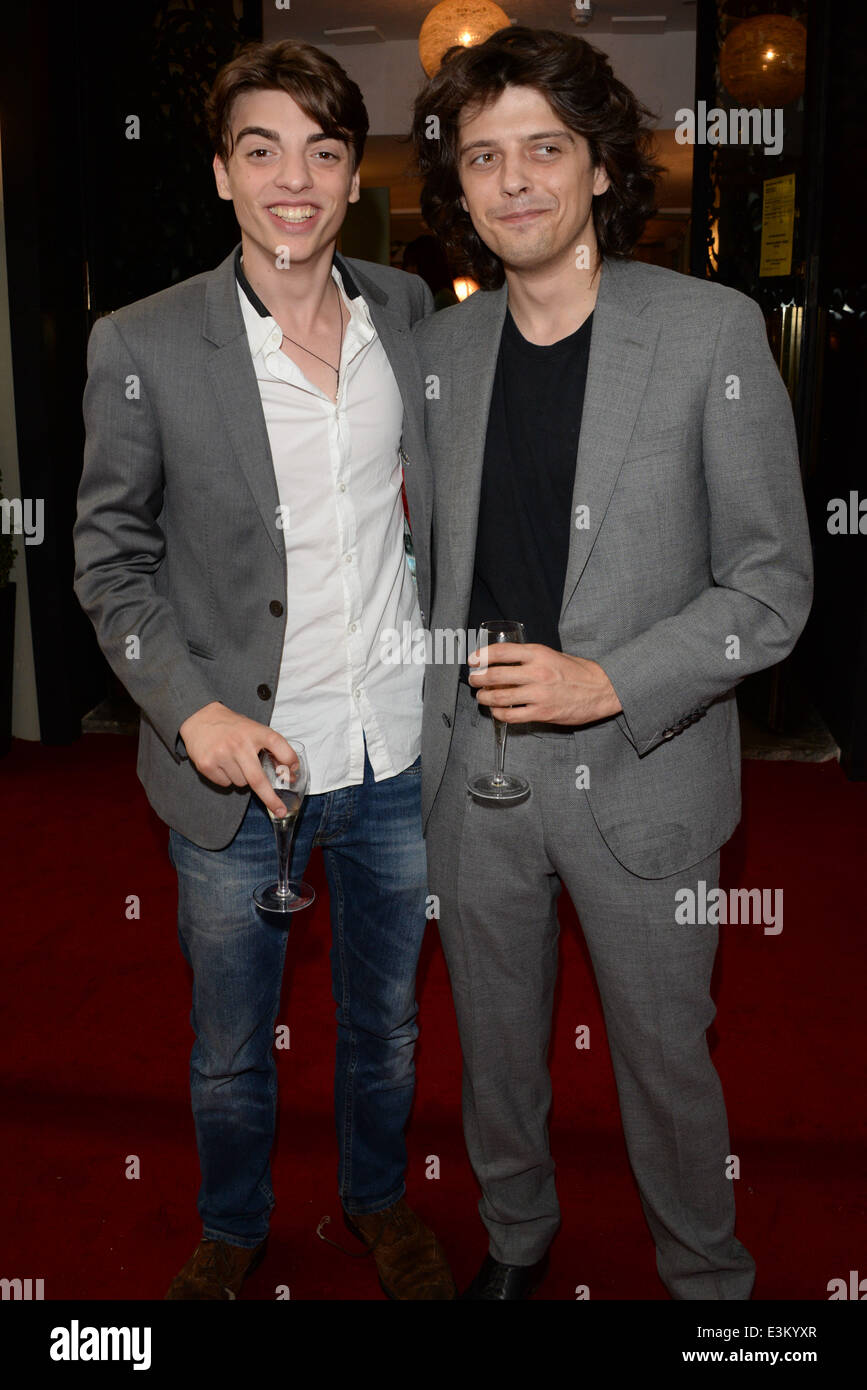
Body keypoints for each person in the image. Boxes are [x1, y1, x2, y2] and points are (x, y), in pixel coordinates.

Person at [410, 26, 813, 1300]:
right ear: (462, 186)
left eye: (544, 147)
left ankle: (708, 1281)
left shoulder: (710, 331)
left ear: (597, 169)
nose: (514, 178)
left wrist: (610, 679)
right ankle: (518, 1243)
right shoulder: (440, 355)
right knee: (495, 1052)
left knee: (664, 1055)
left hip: (644, 768)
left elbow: (773, 589)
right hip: (474, 770)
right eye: (485, 156)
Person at [73, 38, 455, 1301]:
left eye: (324, 151)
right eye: (262, 149)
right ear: (224, 175)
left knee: (388, 1029)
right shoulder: (140, 341)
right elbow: (110, 561)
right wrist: (193, 713)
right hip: (241, 775)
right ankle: (234, 1222)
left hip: (394, 753)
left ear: (355, 177)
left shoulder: (408, 312)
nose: (294, 178)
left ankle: (376, 1197)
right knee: (232, 1043)